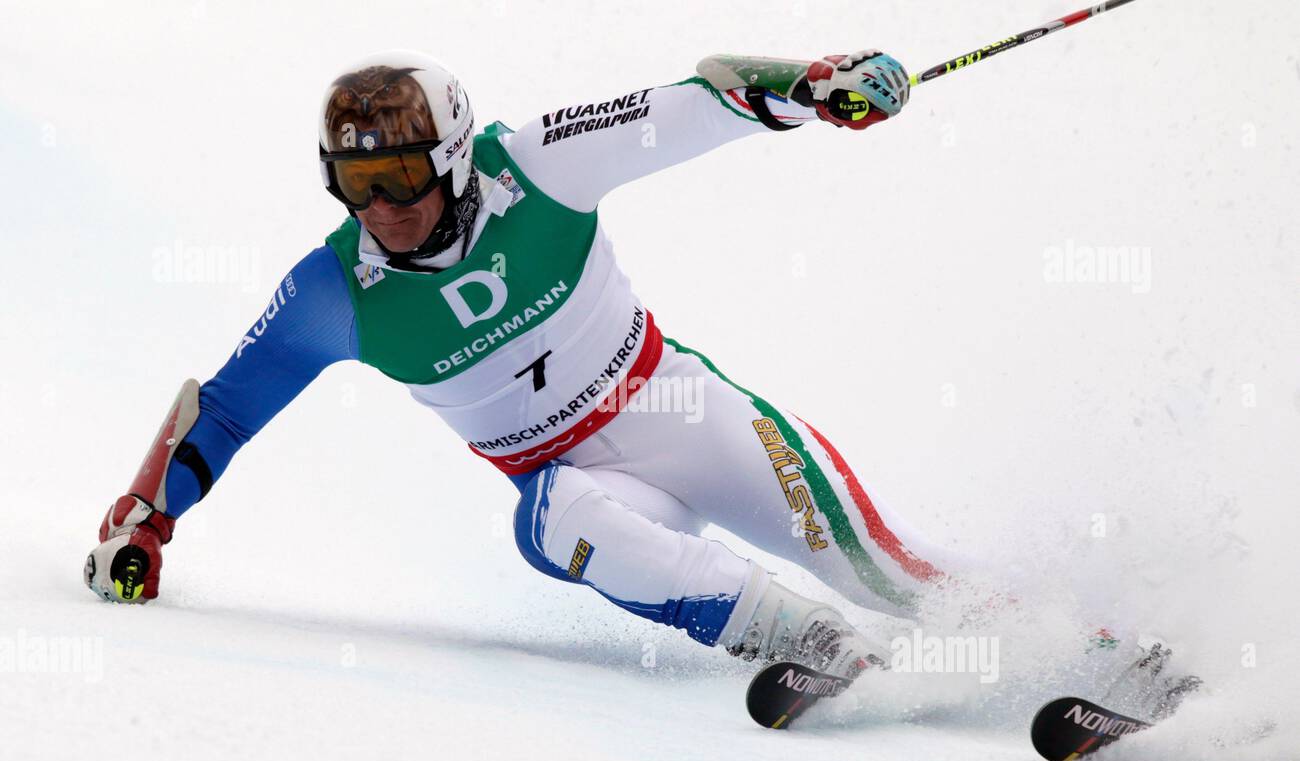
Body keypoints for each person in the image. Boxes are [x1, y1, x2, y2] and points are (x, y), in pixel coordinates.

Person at [86, 48, 955, 680]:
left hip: (686, 418)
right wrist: (141, 520)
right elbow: (228, 410)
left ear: (456, 156)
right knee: (546, 519)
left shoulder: (539, 164)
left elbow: (698, 101)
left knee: (891, 568)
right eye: (355, 183)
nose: (380, 208)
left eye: (399, 175)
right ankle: (808, 640)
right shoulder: (333, 290)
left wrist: (812, 86)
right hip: (593, 491)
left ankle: (1068, 640)